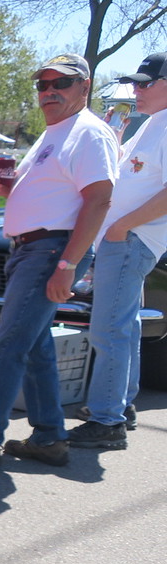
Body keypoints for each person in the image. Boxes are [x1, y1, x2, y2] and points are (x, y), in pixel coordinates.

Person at [0, 54, 118, 470]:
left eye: (62, 83)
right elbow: (54, 193)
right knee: (34, 347)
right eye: (43, 84)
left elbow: (99, 200)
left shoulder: (90, 133)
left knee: (7, 346)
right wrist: (10, 190)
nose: (49, 91)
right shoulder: (55, 132)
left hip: (50, 251)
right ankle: (50, 438)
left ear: (84, 87)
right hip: (31, 250)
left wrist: (68, 264)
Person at [68, 51, 167, 450]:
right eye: (135, 83)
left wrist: (123, 226)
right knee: (125, 327)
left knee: (108, 328)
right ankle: (120, 407)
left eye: (146, 83)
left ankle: (106, 420)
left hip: (130, 241)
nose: (136, 89)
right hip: (123, 240)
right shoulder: (151, 124)